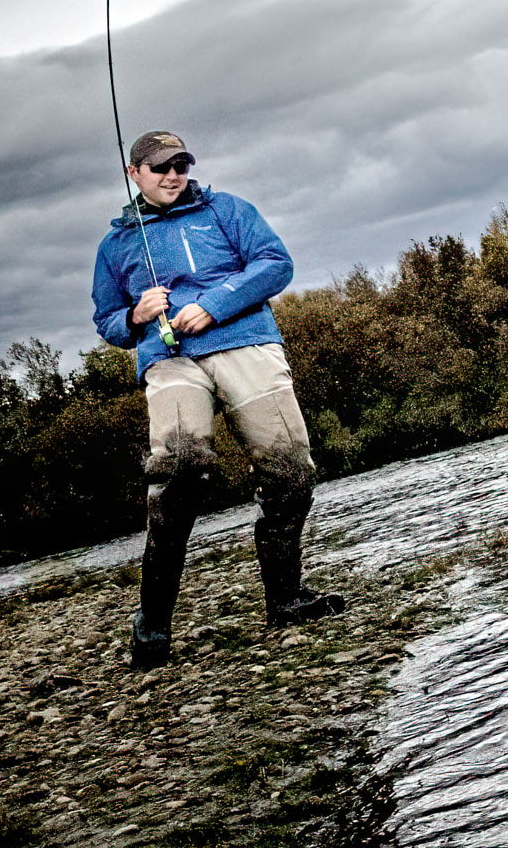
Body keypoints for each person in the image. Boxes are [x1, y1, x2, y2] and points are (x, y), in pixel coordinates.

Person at [92, 131, 344, 670]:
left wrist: (214, 304)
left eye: (180, 164)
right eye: (159, 167)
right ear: (134, 173)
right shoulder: (114, 246)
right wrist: (134, 316)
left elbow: (275, 264)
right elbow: (106, 322)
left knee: (290, 471)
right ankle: (153, 623)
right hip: (170, 360)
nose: (173, 175)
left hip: (247, 341)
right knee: (180, 470)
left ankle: (285, 601)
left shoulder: (228, 210)